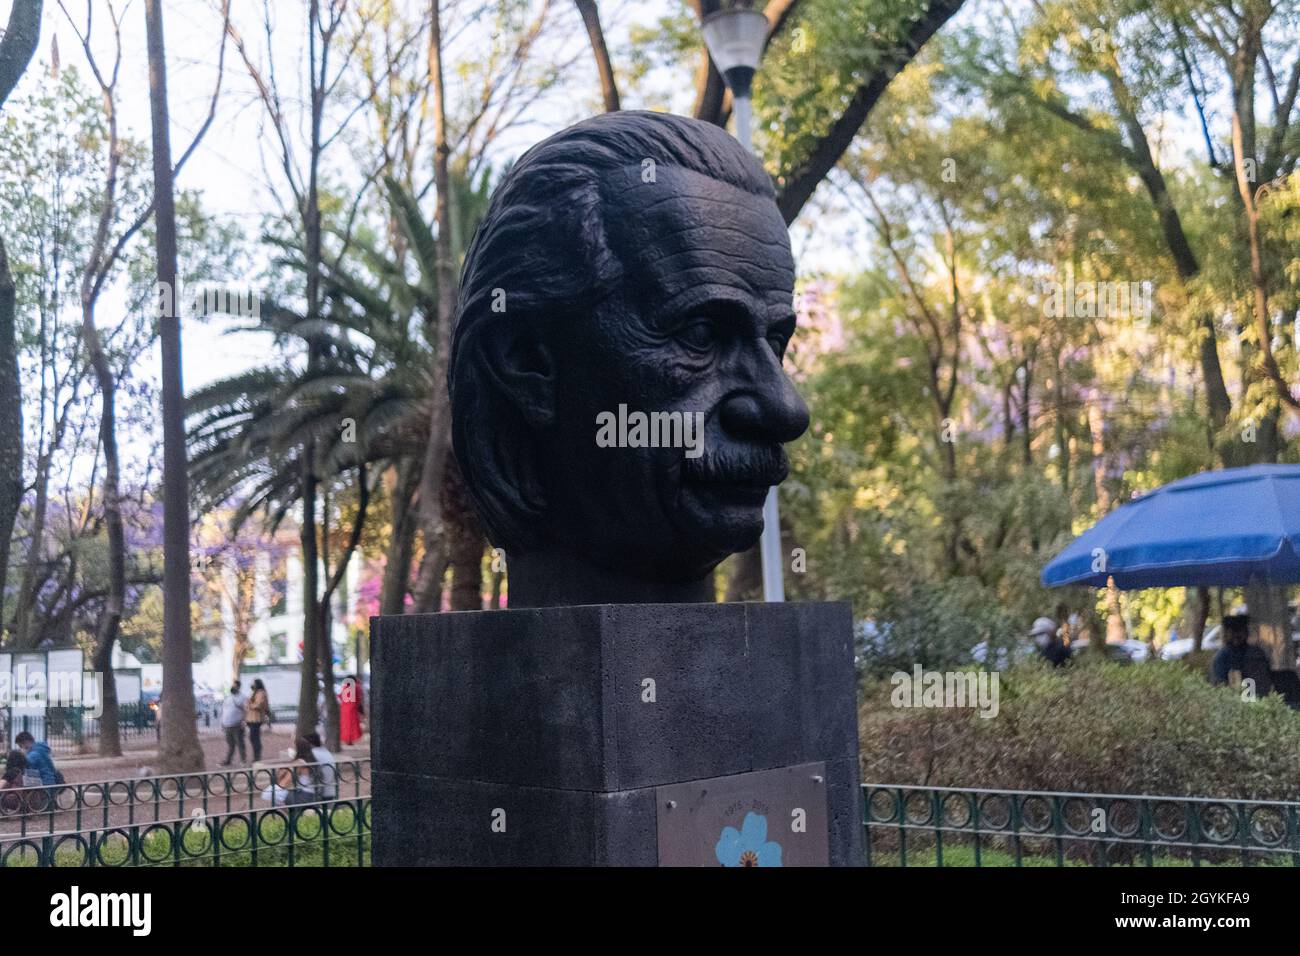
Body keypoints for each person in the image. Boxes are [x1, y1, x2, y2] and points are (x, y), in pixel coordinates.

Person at [1210, 613, 1273, 696]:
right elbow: (1220, 685)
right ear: (1226, 633)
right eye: (1233, 632)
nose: (1237, 635)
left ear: (1246, 632)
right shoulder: (1222, 657)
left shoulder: (1256, 653)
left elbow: (1265, 679)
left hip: (1259, 697)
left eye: (1240, 631)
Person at [219, 681, 248, 766]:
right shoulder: (228, 698)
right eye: (232, 686)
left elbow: (247, 710)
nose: (233, 688)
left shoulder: (243, 697)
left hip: (237, 725)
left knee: (240, 743)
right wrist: (222, 723)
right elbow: (223, 710)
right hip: (227, 725)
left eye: (235, 686)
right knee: (230, 744)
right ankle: (228, 760)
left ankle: (243, 760)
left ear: (239, 687)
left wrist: (244, 721)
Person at [305, 731, 338, 800]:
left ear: (309, 744)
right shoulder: (326, 752)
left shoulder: (312, 754)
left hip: (318, 794)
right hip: (331, 791)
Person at [244, 679, 270, 762]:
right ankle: (256, 756)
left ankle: (257, 757)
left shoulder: (261, 693)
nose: (251, 685)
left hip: (256, 719)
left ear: (257, 684)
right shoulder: (254, 692)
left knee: (255, 738)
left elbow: (258, 705)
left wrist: (249, 705)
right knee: (252, 738)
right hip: (251, 719)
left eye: (253, 684)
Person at [339, 674, 364, 746]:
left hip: (344, 708)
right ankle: (350, 739)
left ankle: (347, 739)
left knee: (345, 725)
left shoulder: (345, 687)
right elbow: (359, 697)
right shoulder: (356, 686)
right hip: (352, 707)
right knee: (352, 725)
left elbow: (340, 696)